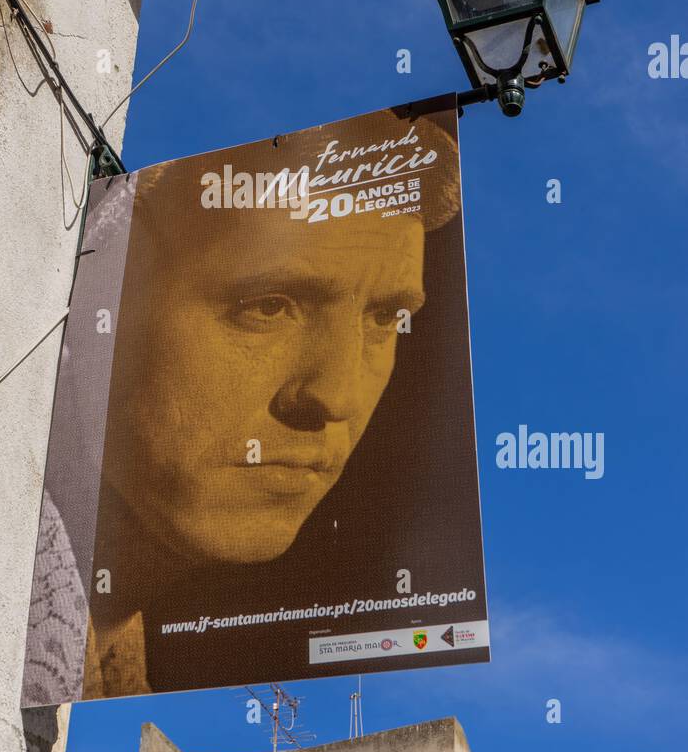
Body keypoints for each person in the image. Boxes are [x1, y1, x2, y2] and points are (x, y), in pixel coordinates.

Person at [82, 106, 461, 697]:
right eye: (265, 306)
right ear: (94, 303)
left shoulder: (111, 661)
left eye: (385, 317)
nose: (336, 397)